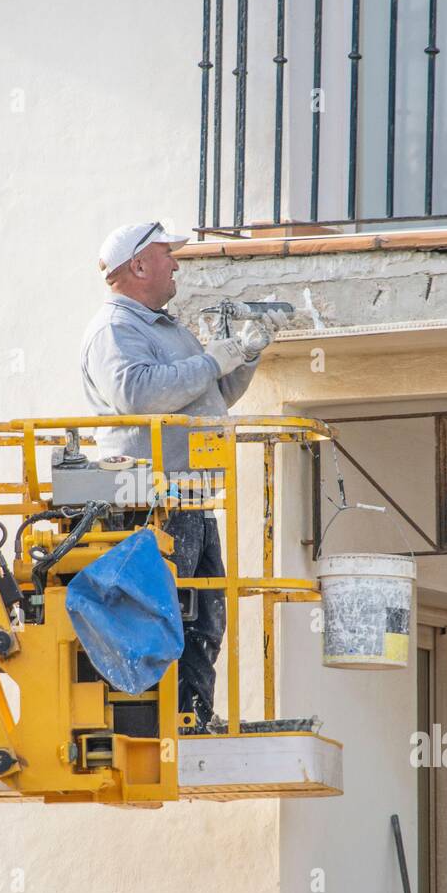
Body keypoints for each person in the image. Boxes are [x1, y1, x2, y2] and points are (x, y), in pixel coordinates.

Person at [80, 221, 284, 731]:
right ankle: (151, 719)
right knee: (164, 611)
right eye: (166, 255)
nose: (176, 264)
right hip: (148, 499)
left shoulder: (165, 328)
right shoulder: (116, 330)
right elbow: (141, 396)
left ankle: (190, 715)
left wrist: (245, 352)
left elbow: (208, 394)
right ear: (138, 266)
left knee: (203, 612)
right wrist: (217, 356)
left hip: (188, 495)